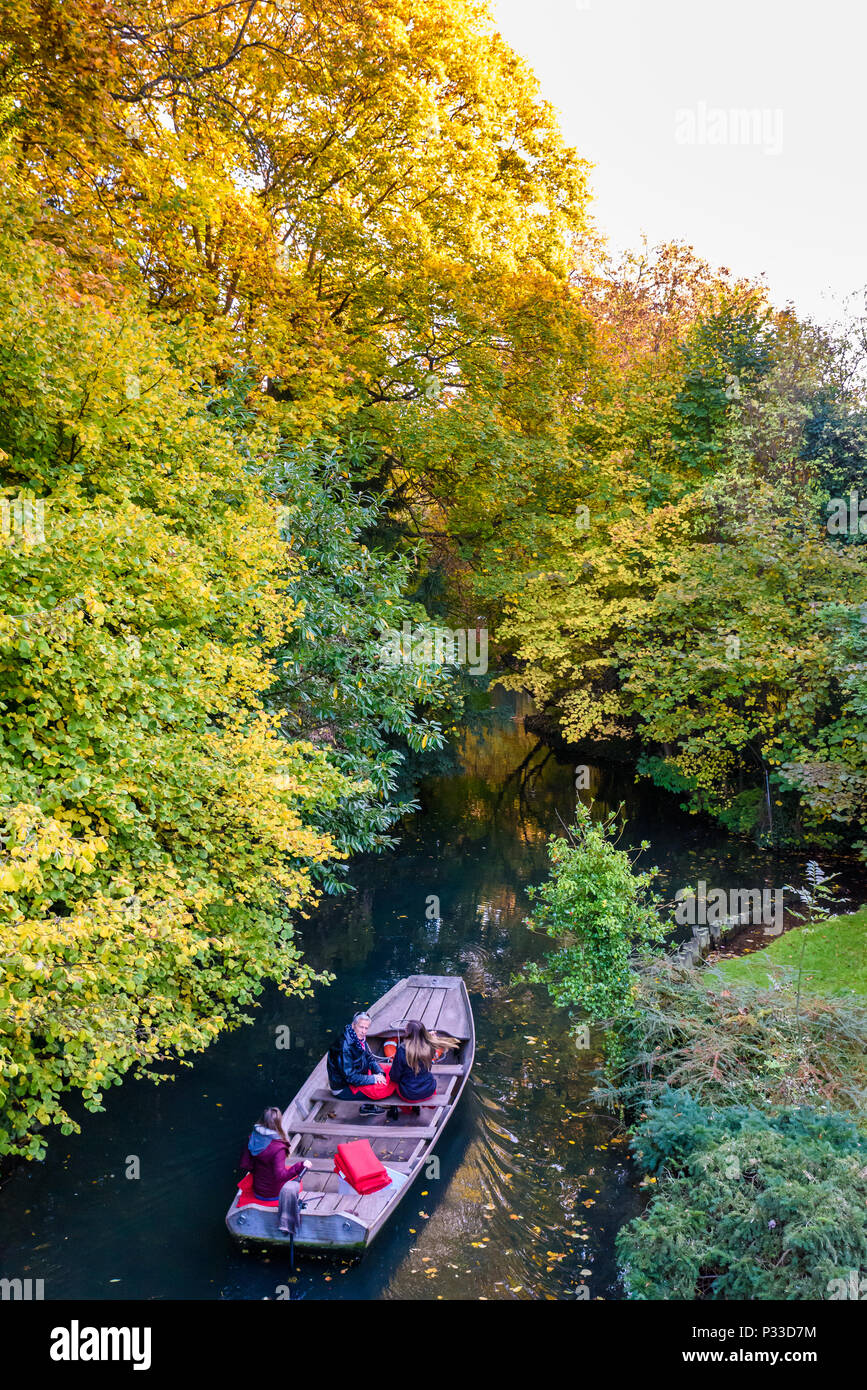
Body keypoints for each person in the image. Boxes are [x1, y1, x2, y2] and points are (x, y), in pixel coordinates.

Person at [327, 1010, 396, 1114]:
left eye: (366, 1028)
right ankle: (367, 1107)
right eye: (361, 1027)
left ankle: (369, 1104)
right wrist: (373, 1078)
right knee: (384, 1088)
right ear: (353, 1025)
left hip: (360, 1072)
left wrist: (379, 1073)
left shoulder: (358, 1038)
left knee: (391, 1070)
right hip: (344, 1087)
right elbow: (350, 1077)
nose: (364, 1031)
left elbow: (369, 1058)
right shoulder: (344, 1047)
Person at [387, 1019, 460, 1115]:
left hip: (408, 1094)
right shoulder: (430, 1046)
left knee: (391, 1077)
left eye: (406, 1029)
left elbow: (394, 1076)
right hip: (428, 1090)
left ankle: (397, 1108)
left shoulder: (402, 1049)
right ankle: (415, 1108)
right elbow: (424, 1042)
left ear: (408, 1033)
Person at [239, 1107, 311, 1201]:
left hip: (257, 1191)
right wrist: (300, 1165)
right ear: (278, 1123)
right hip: (274, 1194)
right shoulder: (278, 1148)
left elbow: (245, 1164)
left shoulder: (252, 1137)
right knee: (294, 1173)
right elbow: (280, 1176)